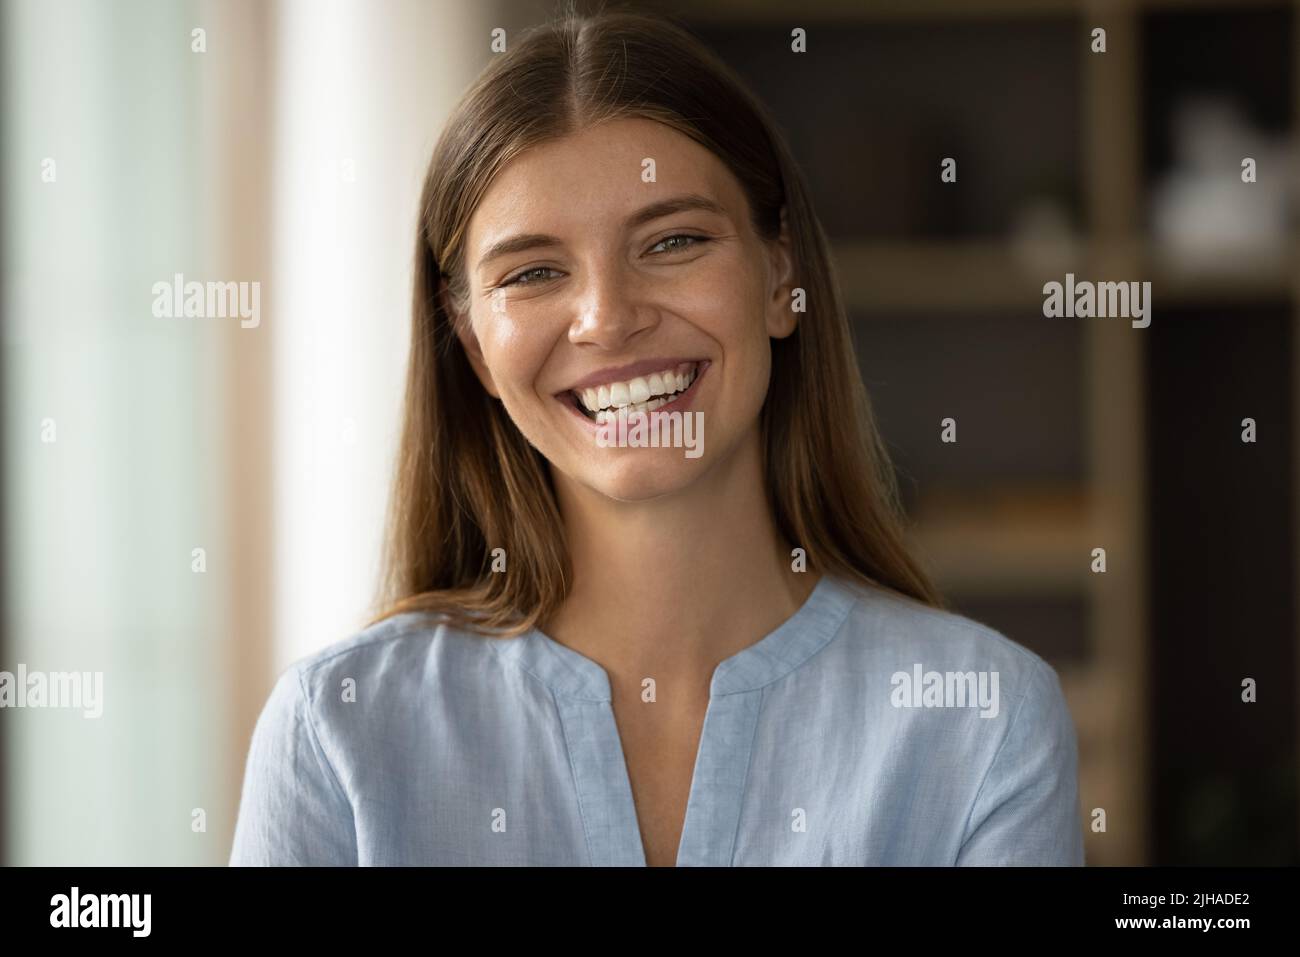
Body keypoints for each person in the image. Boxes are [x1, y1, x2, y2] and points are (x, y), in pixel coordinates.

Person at [230, 7, 1084, 867]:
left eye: (673, 240)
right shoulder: (335, 731)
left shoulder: (986, 719)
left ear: (780, 275)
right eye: (532, 272)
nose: (608, 318)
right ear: (474, 347)